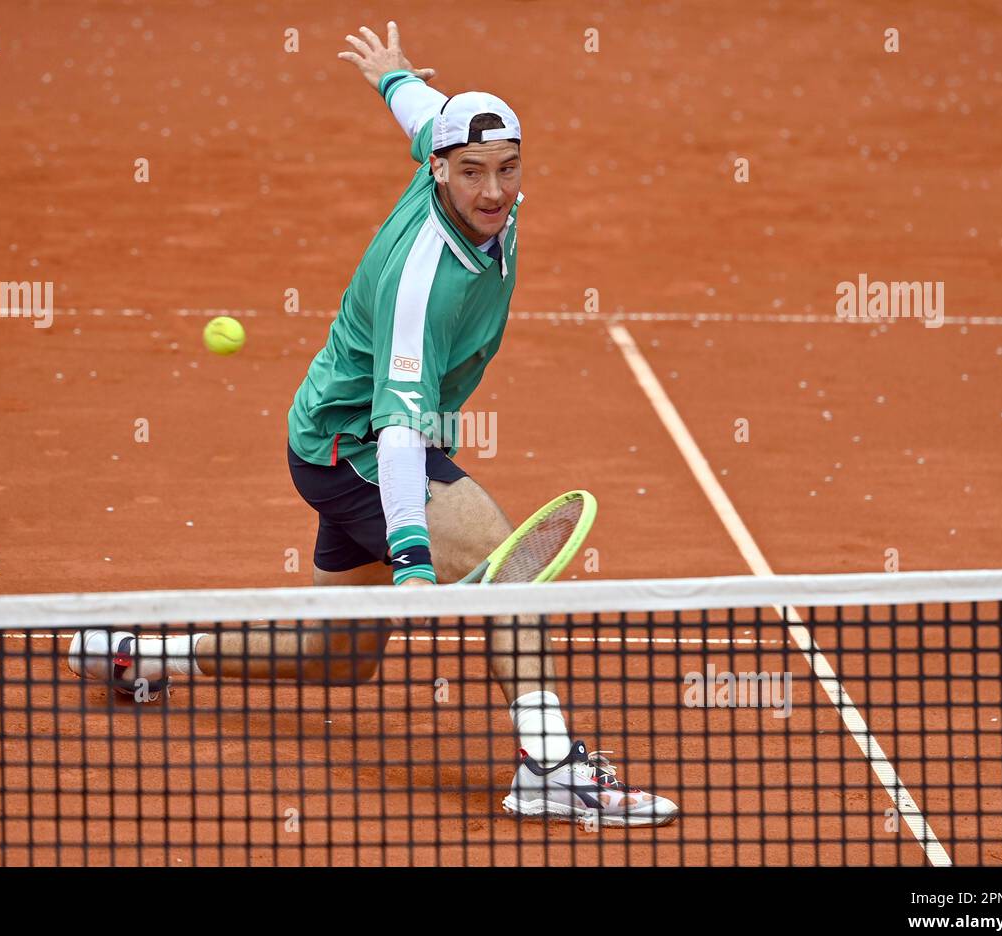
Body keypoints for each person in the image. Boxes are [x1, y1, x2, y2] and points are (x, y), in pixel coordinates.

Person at [68, 22, 676, 828]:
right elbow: (396, 433)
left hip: (327, 434)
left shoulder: (464, 166)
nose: (493, 191)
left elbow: (427, 112)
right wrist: (415, 561)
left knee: (340, 657)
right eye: (472, 175)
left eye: (506, 169)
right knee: (506, 572)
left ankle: (137, 653)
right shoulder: (423, 281)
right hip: (357, 447)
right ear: (440, 174)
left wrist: (392, 78)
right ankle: (550, 768)